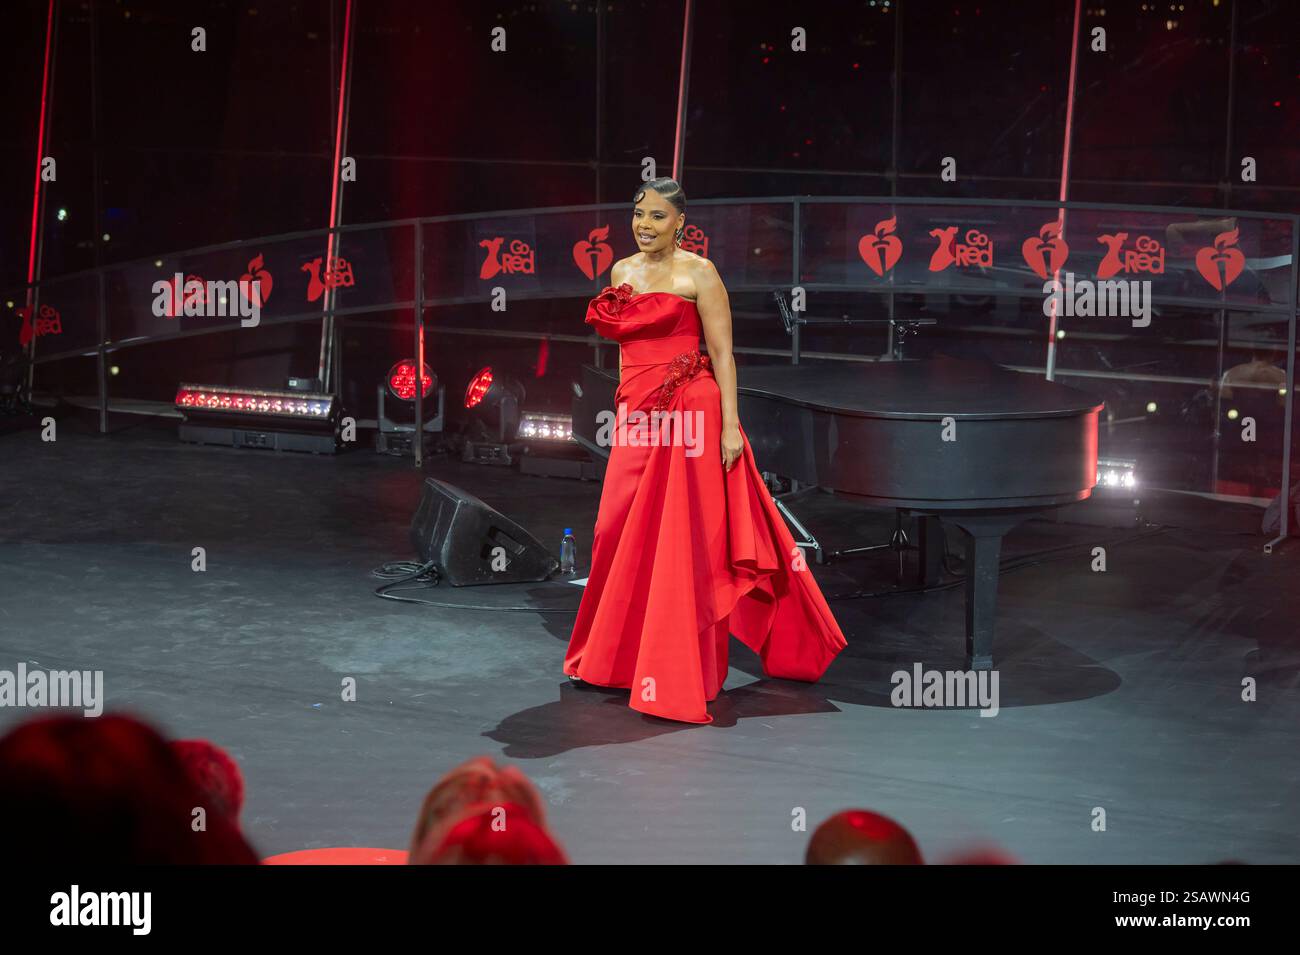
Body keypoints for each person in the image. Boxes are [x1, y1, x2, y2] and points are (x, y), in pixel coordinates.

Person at [563, 177, 847, 724]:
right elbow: (626, 354)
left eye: (658, 217)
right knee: (614, 530)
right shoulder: (622, 271)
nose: (645, 225)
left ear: (680, 224)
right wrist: (626, 409)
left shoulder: (700, 273)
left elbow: (722, 353)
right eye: (639, 213)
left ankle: (677, 670)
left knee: (681, 539)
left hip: (694, 409)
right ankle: (612, 661)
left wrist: (730, 427)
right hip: (638, 413)